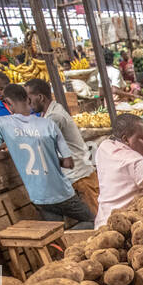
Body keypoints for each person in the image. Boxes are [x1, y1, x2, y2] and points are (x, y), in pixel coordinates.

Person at [0, 83, 93, 228]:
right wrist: (52, 159)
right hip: (62, 192)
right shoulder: (47, 124)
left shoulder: (1, 123)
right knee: (93, 221)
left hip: (39, 197)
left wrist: (10, 156)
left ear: (8, 103)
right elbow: (68, 163)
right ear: (27, 100)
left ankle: (64, 242)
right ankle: (72, 239)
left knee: (55, 233)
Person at [26, 77, 99, 214]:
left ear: (40, 97)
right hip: (75, 177)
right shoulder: (48, 114)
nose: (28, 103)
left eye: (29, 98)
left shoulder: (54, 116)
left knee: (97, 219)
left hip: (80, 177)